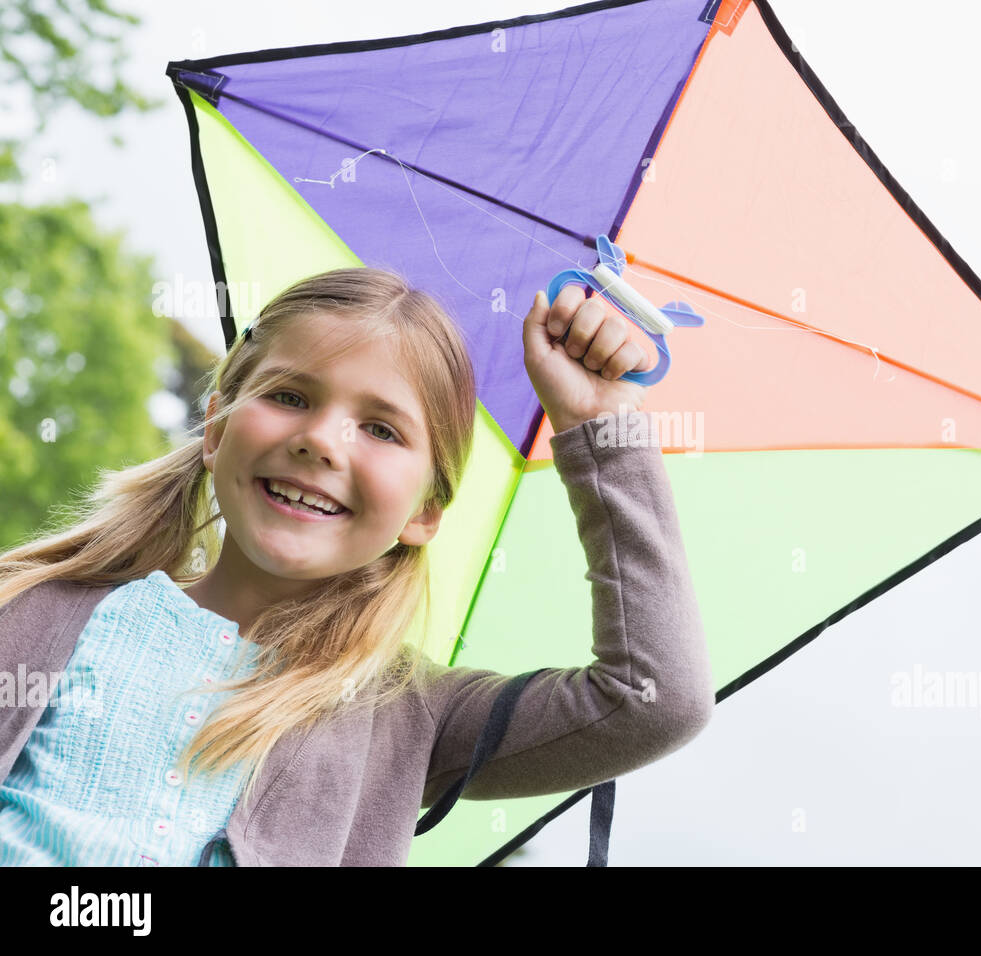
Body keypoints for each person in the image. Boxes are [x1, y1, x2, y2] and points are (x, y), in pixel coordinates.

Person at [0, 267, 714, 866]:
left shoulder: (407, 717)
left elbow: (655, 699)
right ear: (216, 426)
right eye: (289, 396)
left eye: (380, 429)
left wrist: (601, 423)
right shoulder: (35, 609)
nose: (321, 440)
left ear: (424, 513)